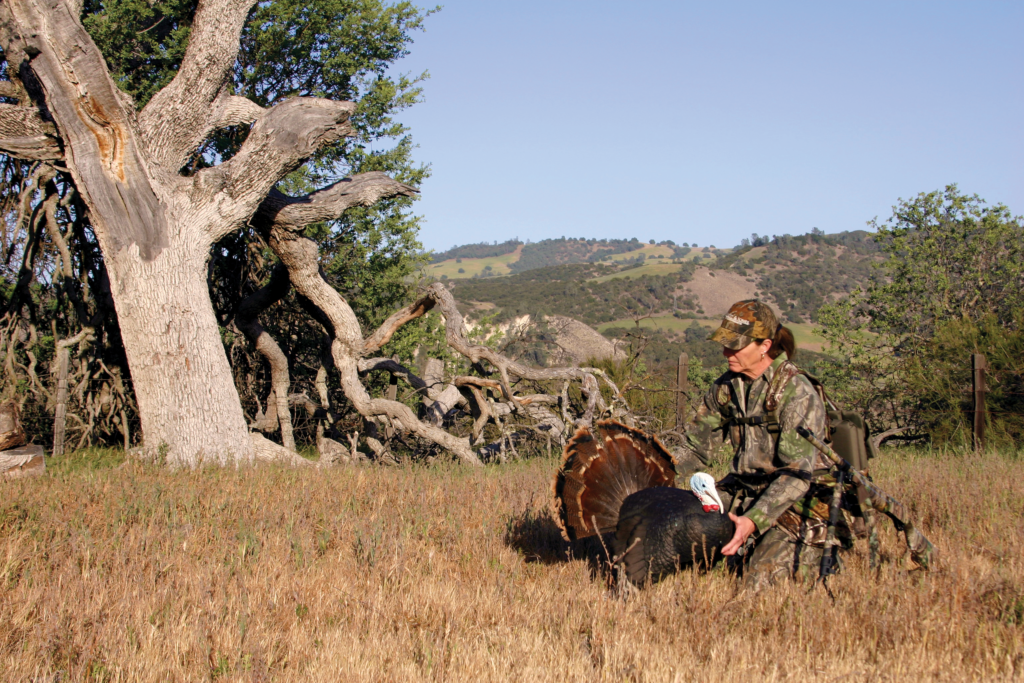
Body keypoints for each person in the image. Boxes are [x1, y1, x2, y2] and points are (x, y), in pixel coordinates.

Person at [680, 300, 849, 589]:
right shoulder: (726, 387)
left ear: (765, 346)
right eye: (725, 345)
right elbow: (696, 448)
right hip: (743, 490)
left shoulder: (797, 392)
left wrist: (753, 520)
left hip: (797, 502)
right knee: (677, 528)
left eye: (735, 346)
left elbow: (797, 475)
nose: (726, 353)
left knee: (757, 581)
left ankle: (815, 551)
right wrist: (655, 477)